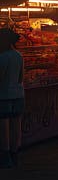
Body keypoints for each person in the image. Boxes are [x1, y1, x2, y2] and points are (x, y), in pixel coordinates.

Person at [0, 28, 24, 168]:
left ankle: (5, 155)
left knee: (4, 126)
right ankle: (15, 154)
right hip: (19, 94)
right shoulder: (18, 55)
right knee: (16, 125)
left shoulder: (2, 58)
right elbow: (21, 77)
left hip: (4, 96)